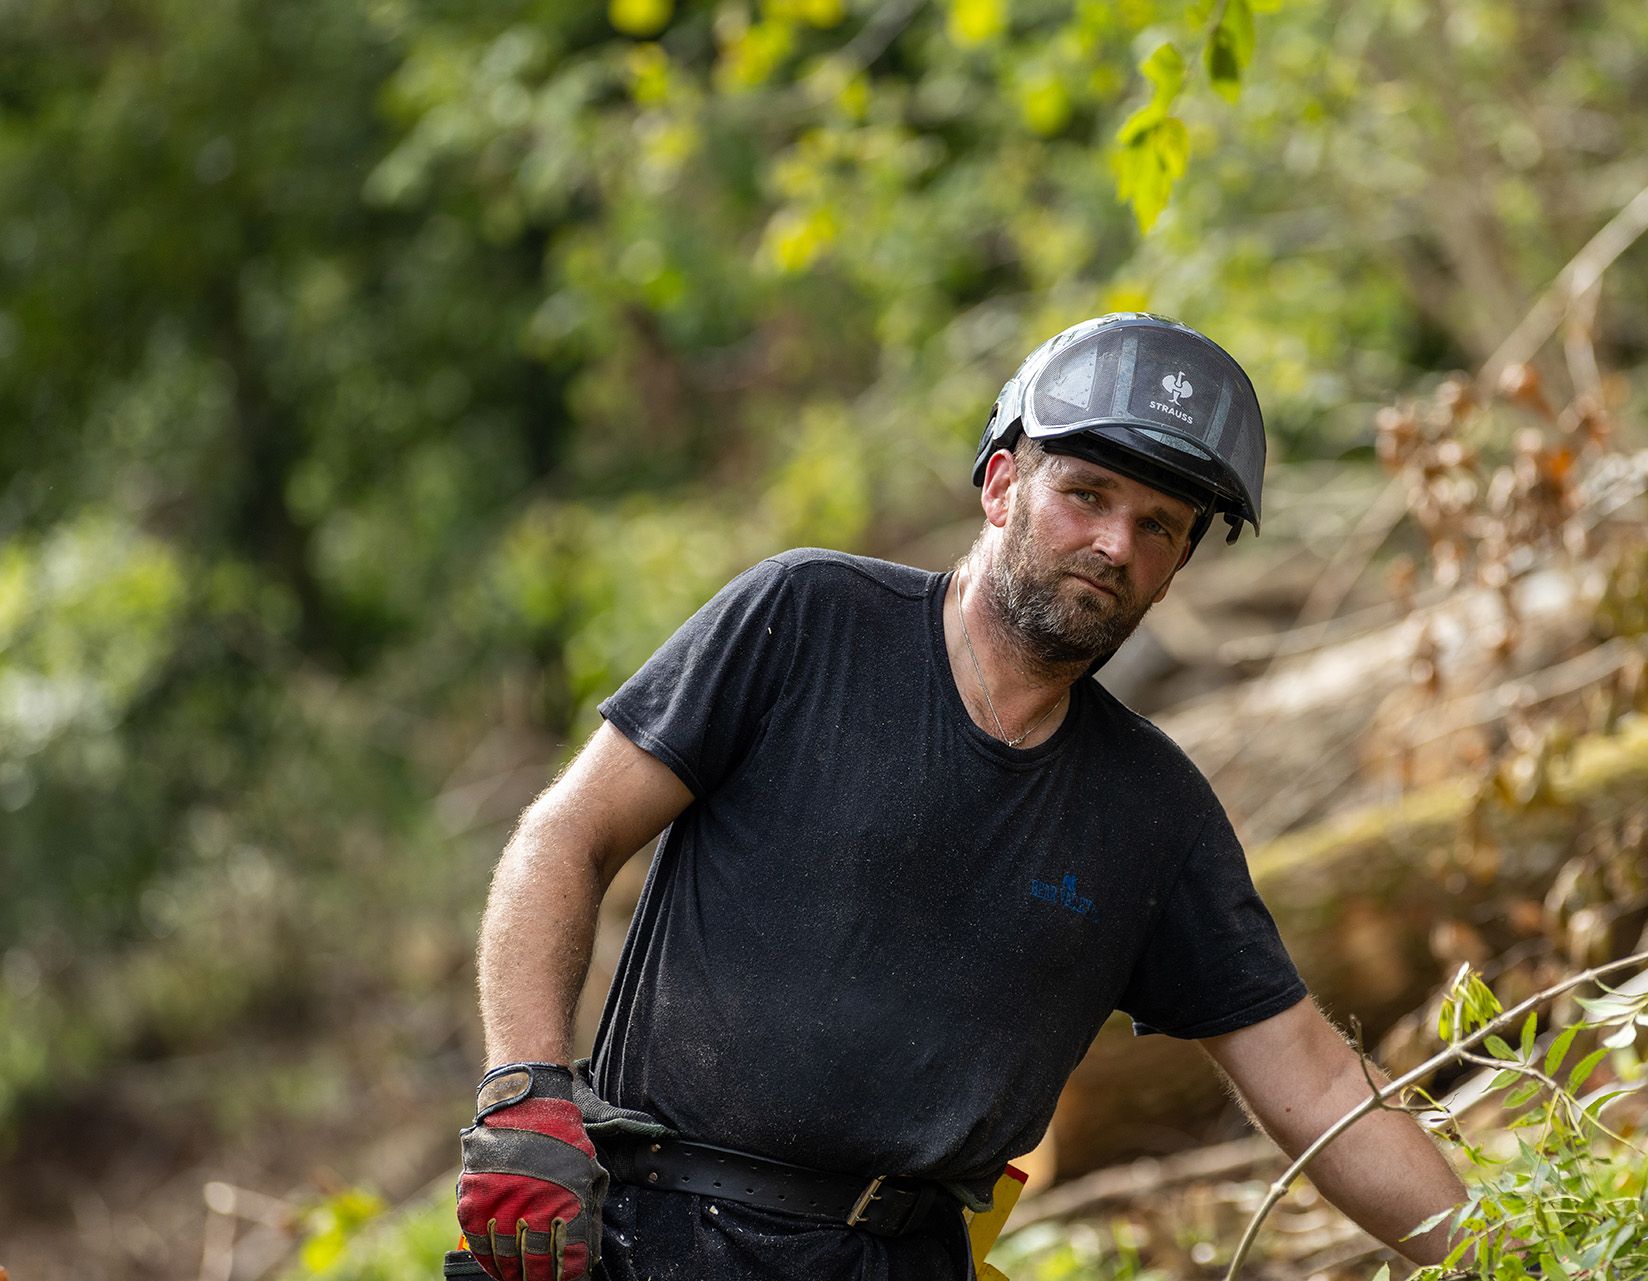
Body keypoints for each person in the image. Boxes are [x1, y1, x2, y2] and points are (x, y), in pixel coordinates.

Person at [455, 314, 1470, 1281]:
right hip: (657, 1236)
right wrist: (524, 1094)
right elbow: (568, 834)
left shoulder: (1151, 814)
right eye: (1088, 493)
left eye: (1157, 525)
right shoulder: (808, 625)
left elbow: (1320, 1085)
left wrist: (1504, 1255)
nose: (1116, 544)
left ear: (1179, 567)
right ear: (1000, 486)